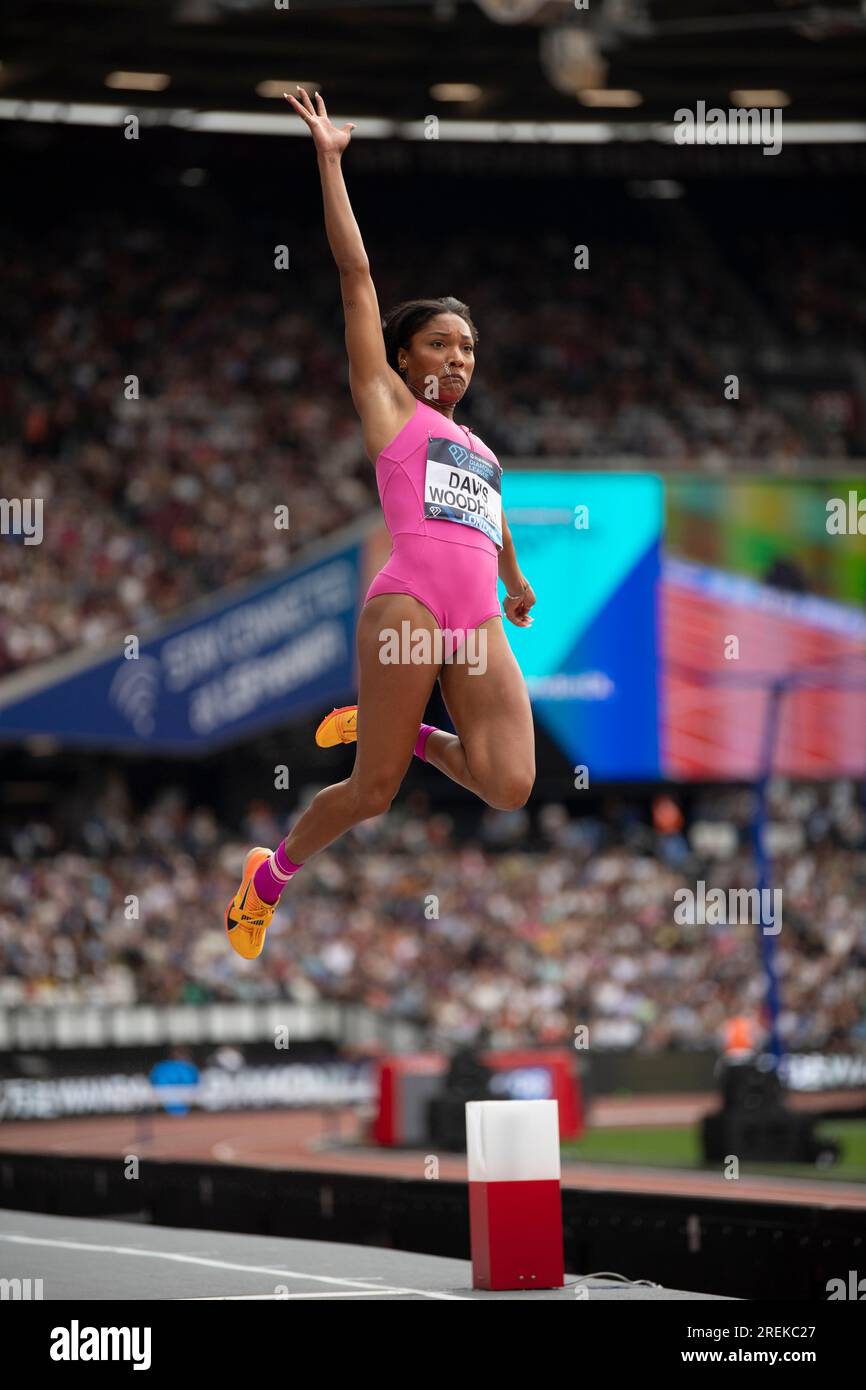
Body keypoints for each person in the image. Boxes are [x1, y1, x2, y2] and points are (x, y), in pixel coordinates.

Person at [225, 87, 536, 960]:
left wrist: (512, 578)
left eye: (468, 349)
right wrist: (329, 159)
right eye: (441, 343)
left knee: (509, 784)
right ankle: (268, 877)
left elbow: (494, 518)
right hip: (409, 609)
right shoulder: (391, 410)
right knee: (372, 795)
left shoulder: (481, 449)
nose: (457, 359)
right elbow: (357, 278)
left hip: (476, 621)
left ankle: (412, 729)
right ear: (405, 357)